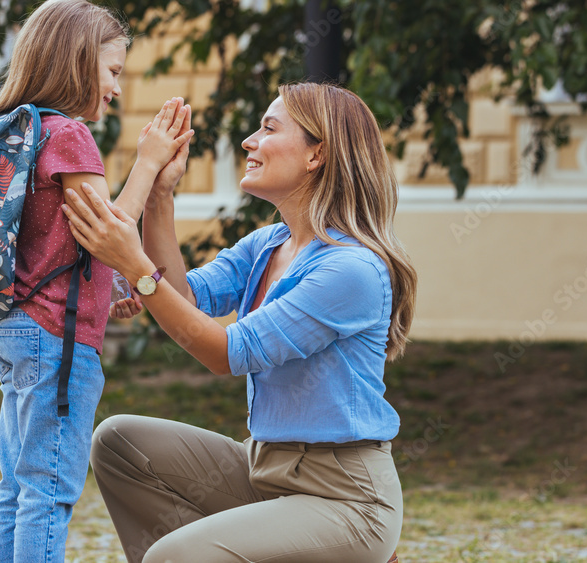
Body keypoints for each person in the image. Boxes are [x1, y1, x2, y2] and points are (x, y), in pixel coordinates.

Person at [60, 82, 416, 563]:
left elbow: (227, 353)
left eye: (268, 128)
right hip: (263, 468)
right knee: (120, 443)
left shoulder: (349, 269)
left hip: (344, 498)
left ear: (317, 154)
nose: (249, 141)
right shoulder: (269, 244)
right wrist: (160, 195)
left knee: (173, 557)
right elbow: (184, 297)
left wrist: (136, 268)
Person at [0, 1, 194, 561]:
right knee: (48, 493)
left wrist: (107, 289)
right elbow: (106, 231)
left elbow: (52, 242)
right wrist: (149, 163)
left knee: (16, 489)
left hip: (13, 327)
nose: (116, 88)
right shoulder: (67, 134)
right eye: (112, 71)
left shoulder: (19, 129)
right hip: (57, 338)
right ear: (76, 60)